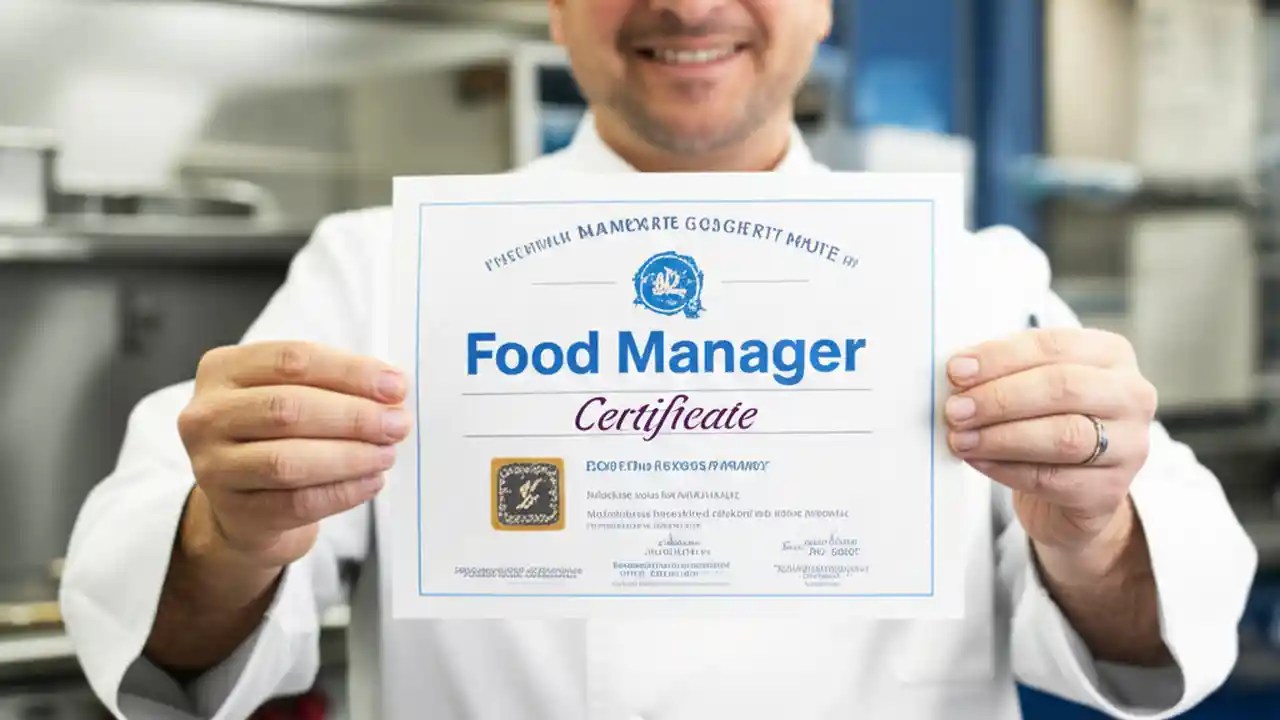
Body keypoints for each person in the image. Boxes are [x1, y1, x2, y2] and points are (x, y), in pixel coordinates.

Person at [61, 1, 1257, 719]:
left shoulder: (971, 277)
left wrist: (1092, 529)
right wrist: (235, 531)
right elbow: (169, 639)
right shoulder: (382, 270)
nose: (687, 3)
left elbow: (1154, 626)